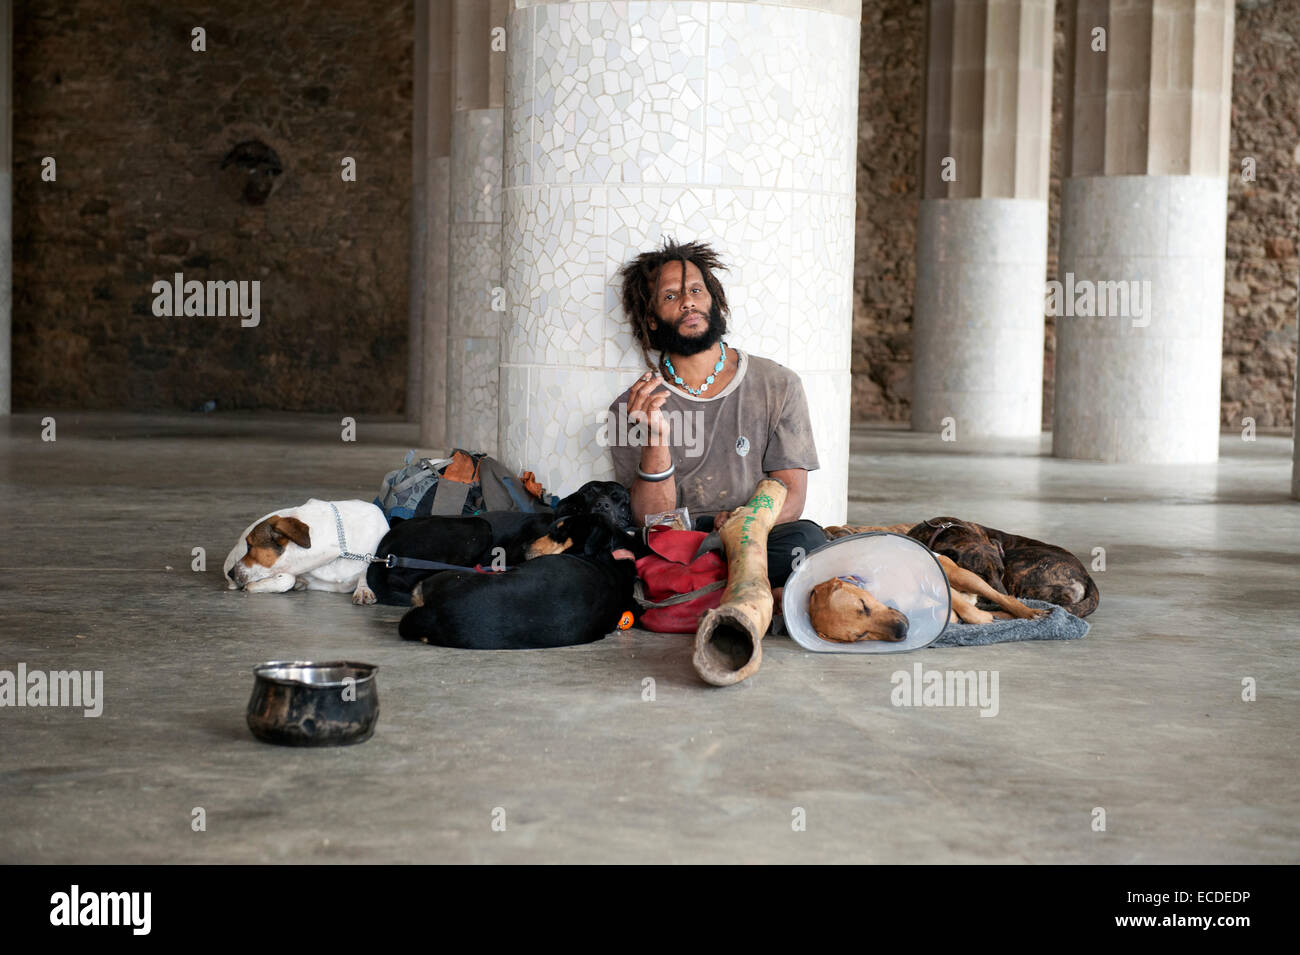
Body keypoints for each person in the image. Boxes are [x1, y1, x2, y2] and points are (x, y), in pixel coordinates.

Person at [606, 238, 826, 587]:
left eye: (696, 289)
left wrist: (743, 525)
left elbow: (791, 494)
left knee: (806, 540)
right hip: (680, 544)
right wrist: (656, 439)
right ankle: (743, 587)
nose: (688, 301)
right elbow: (654, 519)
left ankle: (703, 587)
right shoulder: (632, 407)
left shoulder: (778, 384)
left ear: (714, 301)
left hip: (758, 534)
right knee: (627, 550)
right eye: (670, 296)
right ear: (650, 319)